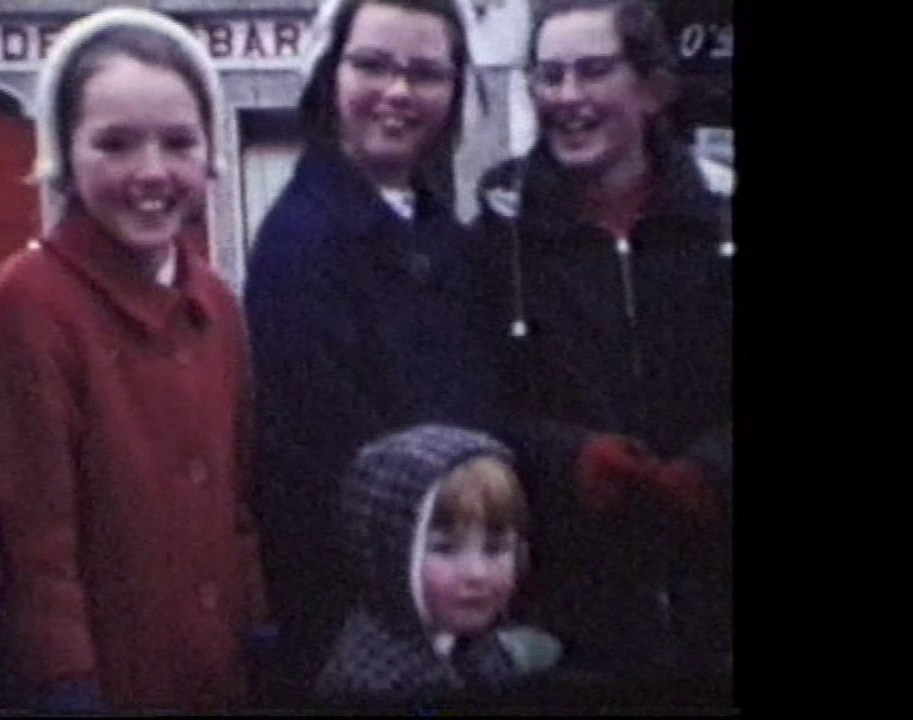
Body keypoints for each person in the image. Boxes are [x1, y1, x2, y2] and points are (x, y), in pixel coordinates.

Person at [0, 7, 265, 712]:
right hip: (111, 682)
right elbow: (36, 541)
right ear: (65, 154)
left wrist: (255, 624)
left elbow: (237, 503)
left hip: (215, 673)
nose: (152, 172)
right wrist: (65, 685)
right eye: (116, 145)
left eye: (178, 142)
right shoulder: (30, 303)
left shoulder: (218, 304)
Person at [242, 0, 501, 696]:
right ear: (331, 76)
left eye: (425, 72)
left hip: (460, 606)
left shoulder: (446, 237)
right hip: (364, 636)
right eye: (373, 64)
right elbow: (319, 472)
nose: (397, 92)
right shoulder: (299, 247)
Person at [473, 0, 733, 679]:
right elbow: (470, 400)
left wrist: (714, 468)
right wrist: (569, 460)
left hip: (716, 600)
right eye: (549, 76)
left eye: (592, 72)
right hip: (568, 616)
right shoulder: (501, 231)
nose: (568, 98)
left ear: (650, 90)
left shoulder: (721, 216)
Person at [315, 424, 561, 707]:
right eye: (445, 549)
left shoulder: (477, 648)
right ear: (388, 558)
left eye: (494, 549)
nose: (477, 574)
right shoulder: (373, 684)